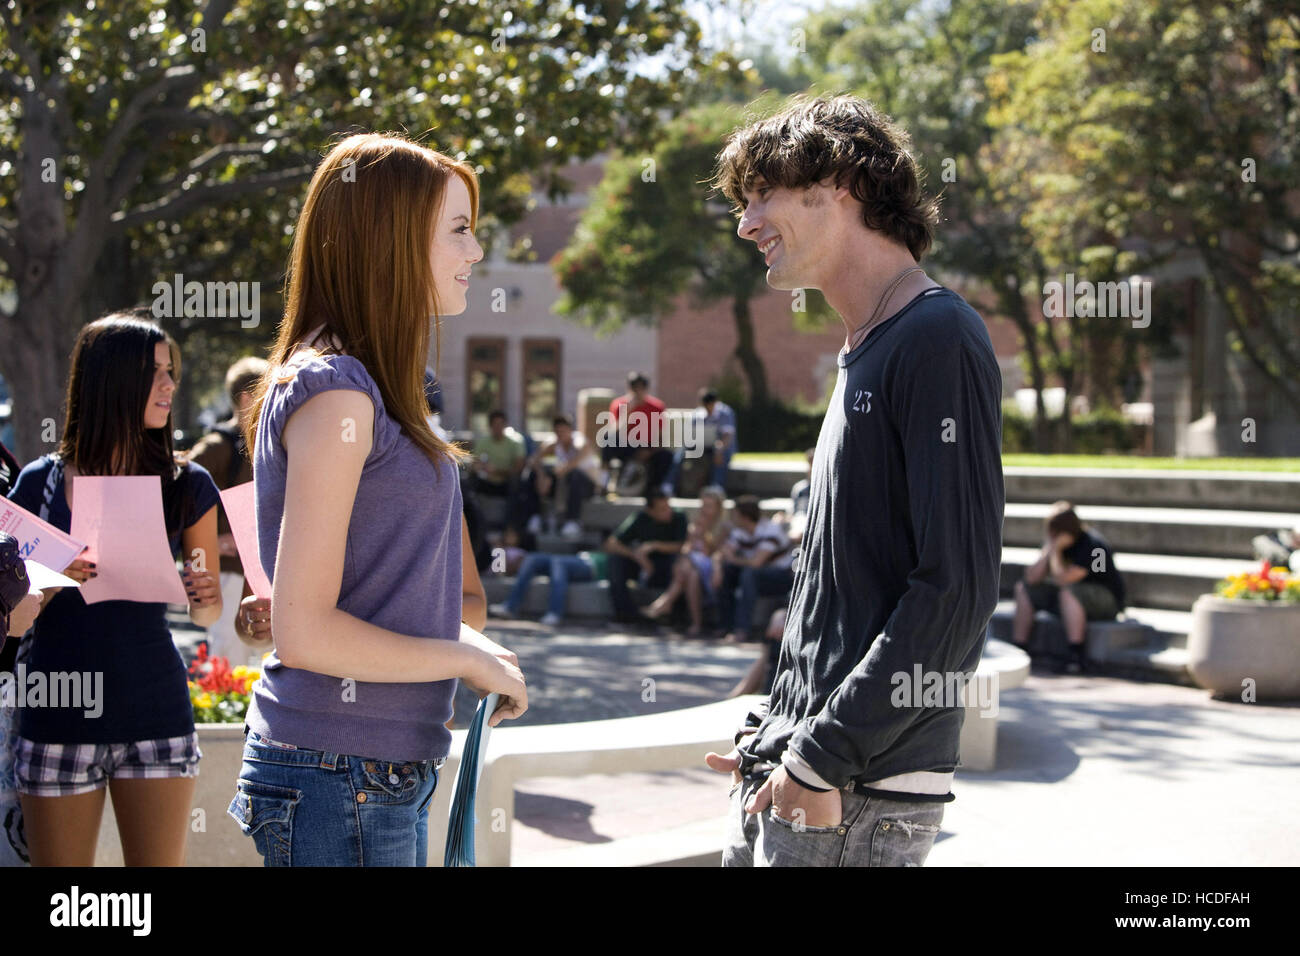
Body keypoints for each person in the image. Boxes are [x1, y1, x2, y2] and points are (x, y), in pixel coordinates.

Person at [704, 95, 1004, 868]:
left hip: (853, 793)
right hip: (807, 776)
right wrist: (777, 731)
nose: (747, 222)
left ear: (841, 183)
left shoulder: (936, 336)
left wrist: (821, 755)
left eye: (762, 193)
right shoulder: (866, 346)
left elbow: (957, 590)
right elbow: (843, 589)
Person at [227, 132, 526, 868]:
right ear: (390, 239)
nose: (476, 252)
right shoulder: (335, 392)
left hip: (361, 774)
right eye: (459, 230)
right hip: (338, 773)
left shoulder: (367, 387)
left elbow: (389, 595)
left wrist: (475, 648)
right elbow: (305, 634)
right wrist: (463, 654)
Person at [6, 313, 224, 866]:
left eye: (170, 371)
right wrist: (57, 579)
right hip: (57, 719)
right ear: (112, 381)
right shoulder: (39, 483)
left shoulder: (188, 483)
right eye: (154, 373)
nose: (170, 385)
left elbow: (207, 616)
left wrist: (203, 597)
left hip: (156, 716)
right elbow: (12, 618)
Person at [186, 356, 270, 667]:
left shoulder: (273, 442)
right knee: (228, 657)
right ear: (246, 398)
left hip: (264, 573)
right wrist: (214, 541)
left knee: (268, 659)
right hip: (230, 572)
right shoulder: (217, 447)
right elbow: (182, 501)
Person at [1012, 501, 1126, 674]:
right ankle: (1020, 648)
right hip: (1070, 600)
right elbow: (1031, 578)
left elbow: (1062, 579)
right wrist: (1049, 549)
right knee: (1024, 589)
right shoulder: (1054, 544)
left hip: (1105, 601)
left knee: (1068, 592)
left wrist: (1055, 551)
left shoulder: (1095, 547)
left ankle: (1076, 654)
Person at [643, 485, 730, 635]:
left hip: (711, 567)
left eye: (709, 506)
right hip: (692, 567)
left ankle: (665, 604)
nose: (705, 509)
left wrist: (703, 534)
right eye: (703, 505)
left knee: (688, 569)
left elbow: (714, 553)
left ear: (718, 508)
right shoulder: (695, 523)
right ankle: (695, 623)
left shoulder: (724, 527)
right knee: (691, 574)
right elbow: (686, 548)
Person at [715, 495, 795, 644]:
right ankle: (725, 625)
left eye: (735, 514)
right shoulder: (739, 532)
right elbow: (723, 553)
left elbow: (757, 563)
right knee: (728, 571)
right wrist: (718, 568)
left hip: (781, 577)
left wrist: (733, 559)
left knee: (749, 574)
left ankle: (741, 629)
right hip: (756, 574)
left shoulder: (771, 531)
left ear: (744, 517)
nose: (732, 518)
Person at [602, 490, 687, 627]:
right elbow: (611, 543)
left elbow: (681, 546)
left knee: (678, 564)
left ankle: (673, 617)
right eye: (662, 509)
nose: (668, 511)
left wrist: (654, 545)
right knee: (615, 561)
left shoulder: (678, 516)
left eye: (668, 506)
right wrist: (635, 555)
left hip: (667, 567)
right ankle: (625, 614)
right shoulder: (641, 518)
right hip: (642, 565)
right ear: (650, 511)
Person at [521, 414, 602, 538]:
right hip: (564, 483)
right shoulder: (553, 443)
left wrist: (552, 476)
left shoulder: (580, 441)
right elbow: (534, 460)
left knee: (574, 474)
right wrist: (541, 476)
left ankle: (573, 521)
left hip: (588, 486)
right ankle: (535, 516)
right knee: (532, 475)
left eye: (563, 431)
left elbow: (573, 462)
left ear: (570, 430)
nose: (561, 435)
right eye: (558, 432)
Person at [489, 548, 609, 627]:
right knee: (533, 558)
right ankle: (510, 606)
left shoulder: (609, 558)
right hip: (576, 559)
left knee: (558, 562)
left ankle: (555, 613)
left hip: (589, 567)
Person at [601, 372, 673, 496]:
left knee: (666, 456)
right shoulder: (619, 404)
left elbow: (661, 436)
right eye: (634, 388)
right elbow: (614, 432)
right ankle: (604, 481)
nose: (638, 391)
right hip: (627, 445)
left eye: (641, 388)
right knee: (607, 438)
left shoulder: (657, 407)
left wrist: (650, 451)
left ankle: (655, 490)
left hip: (649, 447)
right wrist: (628, 412)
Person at [666, 389, 738, 495]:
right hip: (701, 445)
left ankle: (717, 487)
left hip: (721, 447)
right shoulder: (698, 413)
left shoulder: (725, 413)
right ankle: (668, 485)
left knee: (720, 454)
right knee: (681, 452)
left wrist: (719, 449)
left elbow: (728, 436)